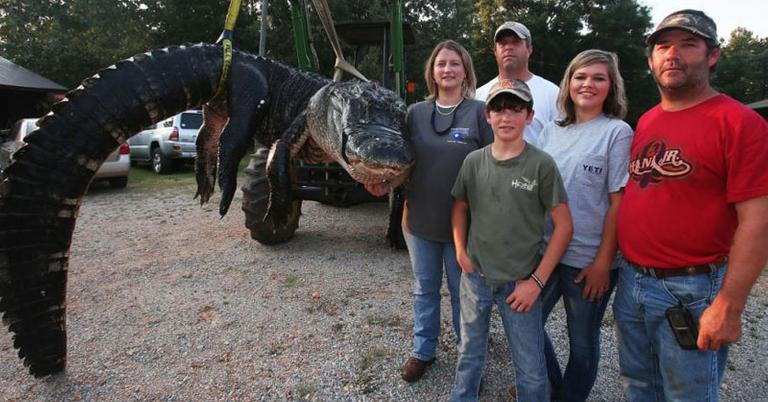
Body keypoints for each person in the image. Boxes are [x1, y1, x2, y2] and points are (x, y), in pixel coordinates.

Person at [614, 9, 768, 402]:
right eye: (664, 46)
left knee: (687, 395)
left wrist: (729, 305)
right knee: (640, 386)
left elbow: (757, 220)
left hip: (693, 287)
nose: (673, 55)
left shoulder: (739, 123)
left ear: (712, 55)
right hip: (633, 280)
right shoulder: (647, 120)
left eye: (688, 45)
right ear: (651, 59)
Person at [450, 78, 573, 401]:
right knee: (469, 355)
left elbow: (563, 226)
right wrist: (461, 250)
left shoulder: (541, 165)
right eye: (499, 109)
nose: (506, 117)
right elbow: (460, 208)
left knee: (531, 368)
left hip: (520, 284)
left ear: (529, 117)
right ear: (487, 116)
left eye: (515, 109)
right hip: (476, 277)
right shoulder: (473, 162)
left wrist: (536, 281)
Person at [537, 49, 633, 402]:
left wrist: (603, 263)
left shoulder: (617, 132)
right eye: (580, 76)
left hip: (587, 260)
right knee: (527, 325)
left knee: (582, 341)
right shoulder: (551, 130)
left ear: (611, 86)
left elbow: (617, 203)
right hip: (547, 253)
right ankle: (552, 388)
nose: (588, 84)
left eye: (598, 78)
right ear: (568, 83)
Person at [396, 40, 494, 383]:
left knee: (462, 295)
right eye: (441, 64)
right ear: (432, 72)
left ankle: (469, 361)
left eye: (454, 63)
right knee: (424, 290)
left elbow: (494, 165)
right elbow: (401, 164)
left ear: (465, 70)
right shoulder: (415, 113)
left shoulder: (481, 112)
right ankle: (423, 350)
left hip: (464, 227)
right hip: (420, 220)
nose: (448, 70)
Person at [475, 21, 559, 145]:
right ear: (495, 51)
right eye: (502, 43)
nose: (508, 47)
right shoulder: (478, 96)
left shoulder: (553, 94)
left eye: (516, 42)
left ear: (529, 49)